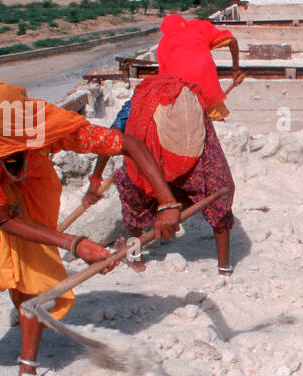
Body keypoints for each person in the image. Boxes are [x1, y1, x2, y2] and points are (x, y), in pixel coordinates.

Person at [0, 82, 181, 376]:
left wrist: (168, 204)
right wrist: (75, 243)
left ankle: (28, 368)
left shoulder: (43, 128)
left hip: (23, 192)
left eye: (10, 148)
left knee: (34, 275)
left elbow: (129, 144)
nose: (5, 153)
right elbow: (5, 220)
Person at [90, 14, 242, 273]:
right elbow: (231, 41)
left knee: (128, 167)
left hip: (161, 97)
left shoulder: (167, 44)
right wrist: (235, 68)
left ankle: (135, 257)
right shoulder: (202, 33)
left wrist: (96, 178)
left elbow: (112, 138)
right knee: (217, 180)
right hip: (179, 100)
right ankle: (225, 266)